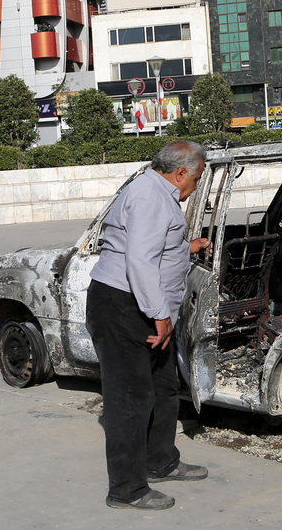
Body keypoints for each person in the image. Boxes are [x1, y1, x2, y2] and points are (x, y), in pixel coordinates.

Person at [86, 140, 212, 510]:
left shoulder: (158, 194)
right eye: (197, 178)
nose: (194, 187)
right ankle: (126, 489)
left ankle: (160, 461)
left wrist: (187, 247)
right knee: (129, 400)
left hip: (144, 306)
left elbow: (152, 246)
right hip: (125, 307)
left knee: (163, 387)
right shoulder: (148, 196)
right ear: (181, 172)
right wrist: (159, 316)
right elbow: (139, 263)